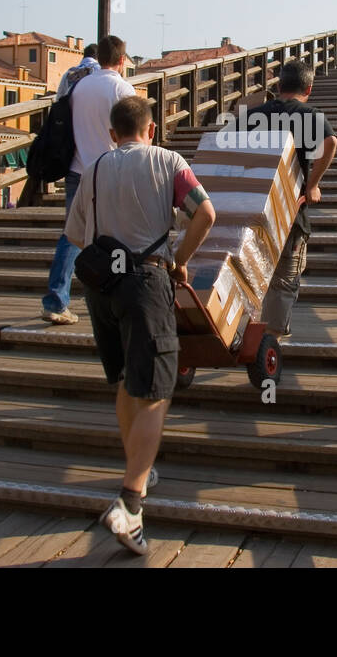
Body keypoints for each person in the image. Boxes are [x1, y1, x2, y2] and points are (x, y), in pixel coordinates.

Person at [63, 95, 216, 555]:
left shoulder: (93, 168)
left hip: (99, 288)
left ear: (113, 134)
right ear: (152, 129)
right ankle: (131, 502)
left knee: (127, 381)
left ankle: (138, 467)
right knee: (155, 392)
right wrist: (180, 261)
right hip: (146, 280)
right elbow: (205, 212)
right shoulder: (168, 161)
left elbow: (74, 234)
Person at [41, 35, 135, 324]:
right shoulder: (122, 88)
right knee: (118, 235)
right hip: (110, 171)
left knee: (72, 236)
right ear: (121, 60)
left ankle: (56, 301)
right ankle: (118, 297)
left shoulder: (79, 87)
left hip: (78, 170)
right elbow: (133, 131)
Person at [247, 59, 337, 341]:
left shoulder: (253, 114)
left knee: (250, 270)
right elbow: (331, 142)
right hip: (290, 211)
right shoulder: (310, 115)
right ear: (308, 88)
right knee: (285, 278)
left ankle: (243, 331)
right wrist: (312, 185)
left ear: (278, 86)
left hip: (252, 207)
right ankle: (270, 342)